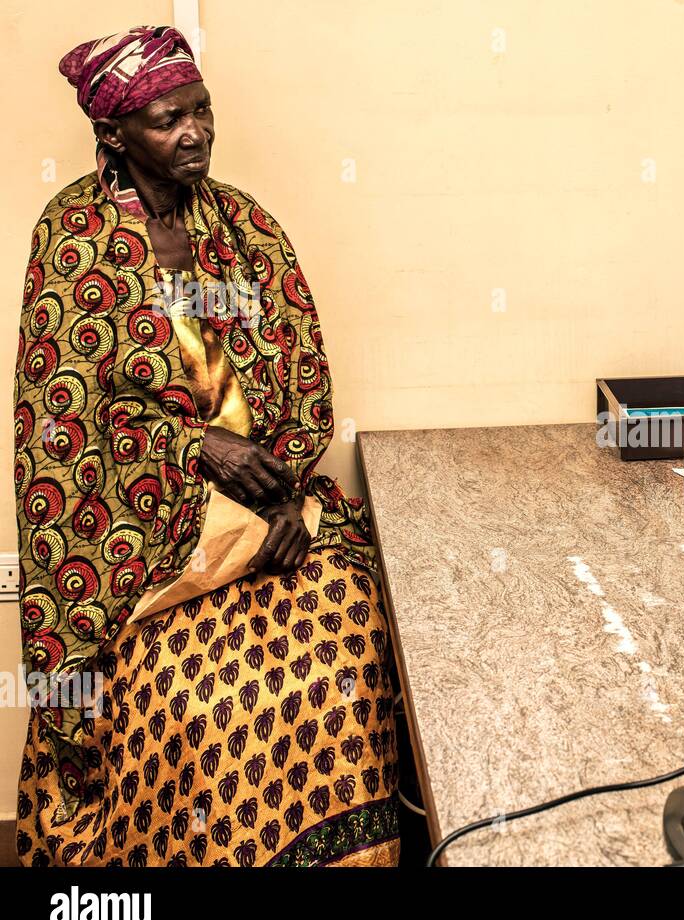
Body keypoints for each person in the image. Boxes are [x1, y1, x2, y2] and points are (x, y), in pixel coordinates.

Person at [14, 26, 401, 865]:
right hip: (146, 538)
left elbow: (302, 373)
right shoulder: (74, 238)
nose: (194, 132)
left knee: (355, 640)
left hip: (271, 510)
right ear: (115, 133)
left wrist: (286, 495)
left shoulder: (244, 228)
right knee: (200, 707)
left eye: (202, 110)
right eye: (166, 119)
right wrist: (195, 449)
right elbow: (64, 424)